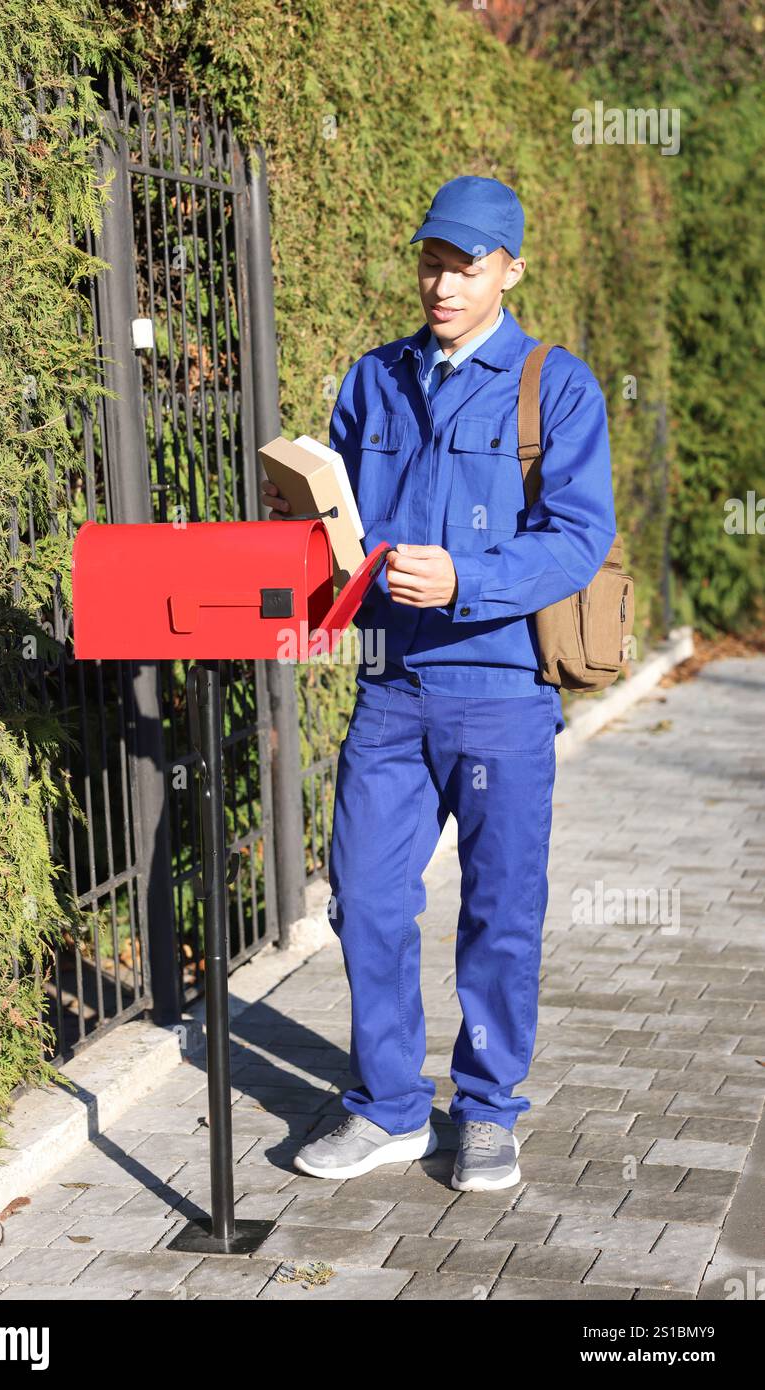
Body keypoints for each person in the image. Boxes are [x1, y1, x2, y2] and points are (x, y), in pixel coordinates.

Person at [261, 175, 616, 1191]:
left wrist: (470, 577)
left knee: (500, 911)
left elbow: (581, 537)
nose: (442, 281)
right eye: (431, 260)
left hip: (502, 692)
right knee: (366, 899)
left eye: (465, 264)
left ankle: (492, 1108)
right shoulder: (373, 379)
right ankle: (389, 1108)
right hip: (390, 691)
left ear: (510, 268)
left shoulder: (557, 386)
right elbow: (341, 531)